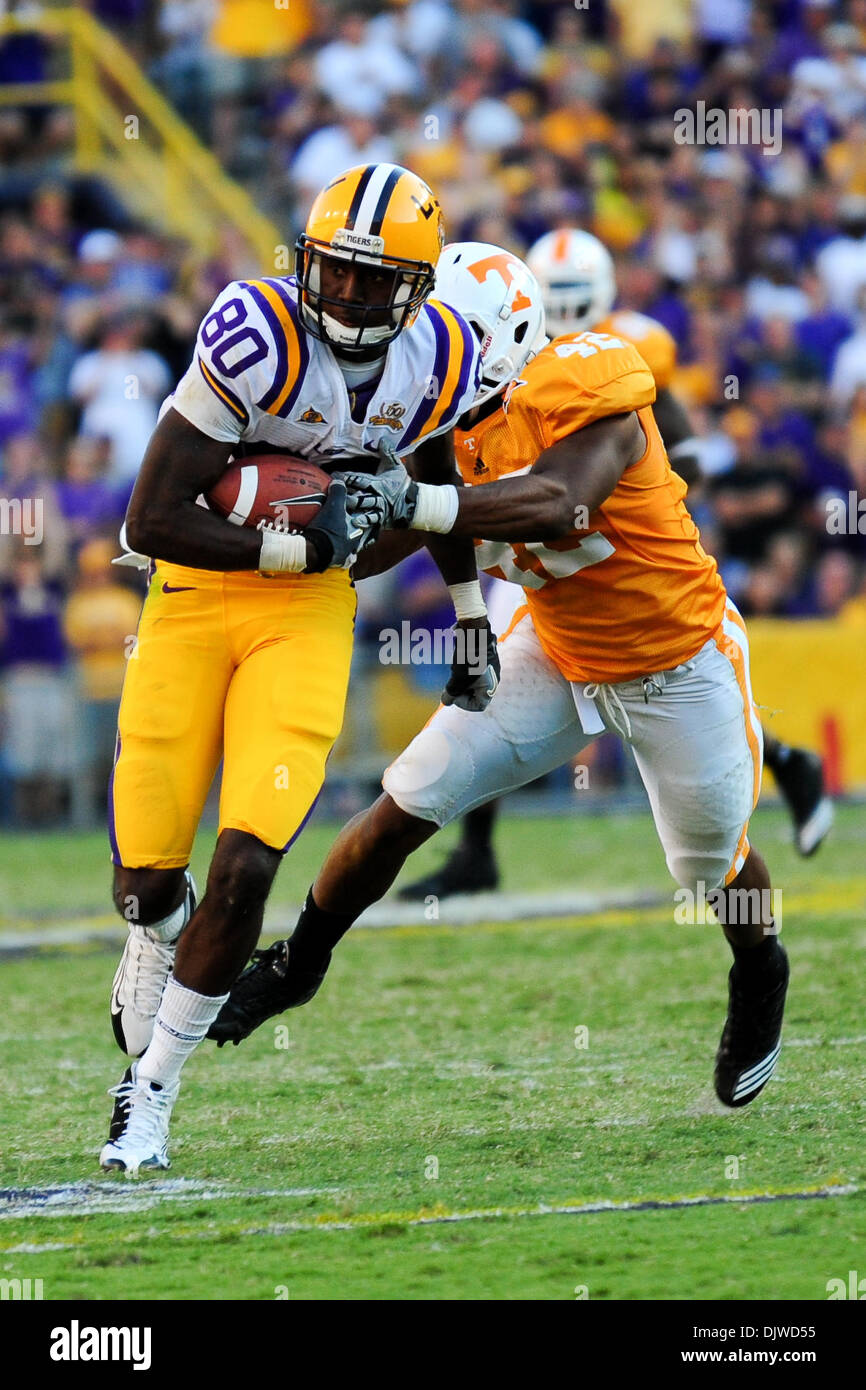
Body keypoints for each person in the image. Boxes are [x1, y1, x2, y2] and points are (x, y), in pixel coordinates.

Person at [210, 242, 789, 1116]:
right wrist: (286, 539)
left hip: (676, 660)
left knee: (712, 866)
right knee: (408, 795)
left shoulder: (589, 382)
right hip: (552, 648)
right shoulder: (439, 423)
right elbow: (389, 540)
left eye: (443, 333)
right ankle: (300, 963)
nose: (421, 349)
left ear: (501, 340)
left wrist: (411, 499)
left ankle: (762, 973)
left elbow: (561, 503)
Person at [99, 164, 495, 1176]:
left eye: (376, 282)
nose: (351, 297)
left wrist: (466, 615)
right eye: (338, 272)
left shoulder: (441, 356)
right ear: (308, 259)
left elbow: (438, 476)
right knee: (147, 878)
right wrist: (295, 539)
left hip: (308, 619)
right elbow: (149, 519)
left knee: (250, 857)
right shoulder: (257, 335)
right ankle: (159, 931)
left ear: (415, 290)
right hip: (190, 599)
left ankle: (149, 1096)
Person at [402, 227, 833, 900]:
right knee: (493, 694)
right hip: (524, 548)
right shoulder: (478, 361)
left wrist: (633, 482)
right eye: (559, 291)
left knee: (681, 685)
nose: (570, 305)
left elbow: (679, 451)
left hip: (612, 539)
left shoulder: (607, 357)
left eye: (581, 292)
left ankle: (780, 761)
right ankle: (476, 848)